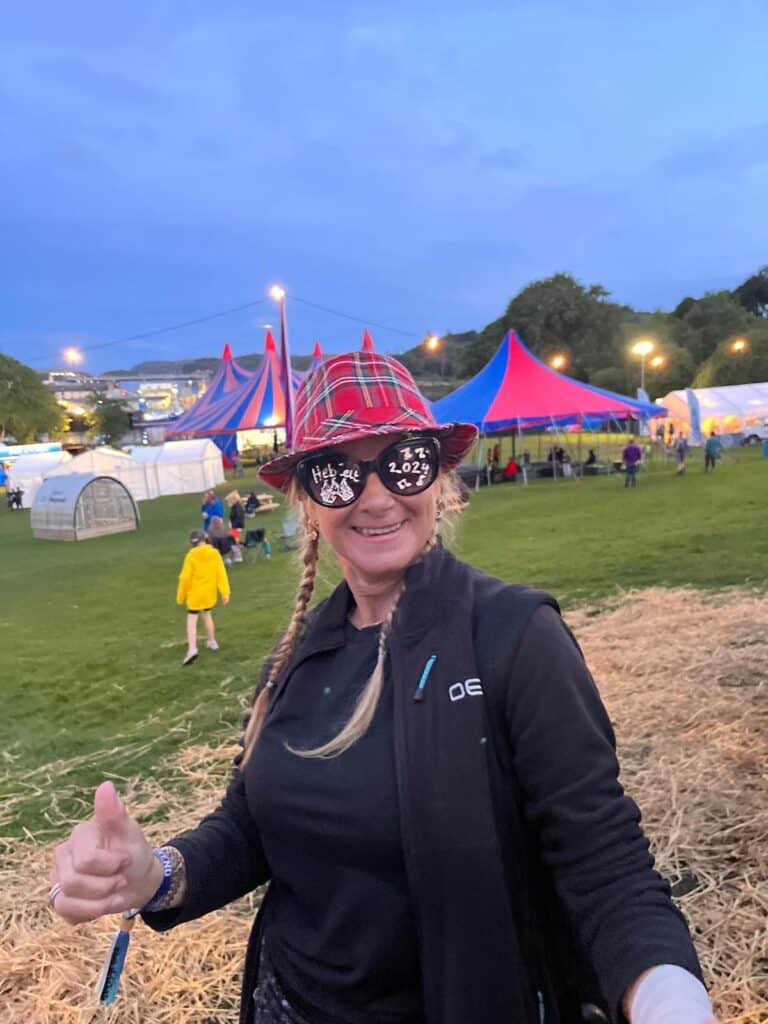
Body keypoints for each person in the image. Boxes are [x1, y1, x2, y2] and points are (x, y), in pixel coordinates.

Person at [49, 353, 717, 1024]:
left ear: (439, 478)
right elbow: (251, 829)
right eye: (338, 474)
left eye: (403, 462)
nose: (374, 497)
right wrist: (155, 876)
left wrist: (670, 1001)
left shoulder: (513, 637)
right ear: (308, 501)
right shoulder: (297, 655)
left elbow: (604, 865)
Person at [175, 529, 230, 665]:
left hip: (195, 594)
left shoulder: (190, 556)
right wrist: (225, 592)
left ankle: (192, 649)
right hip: (209, 593)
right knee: (207, 615)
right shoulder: (215, 554)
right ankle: (212, 641)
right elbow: (221, 574)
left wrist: (181, 596)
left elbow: (185, 578)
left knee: (192, 620)